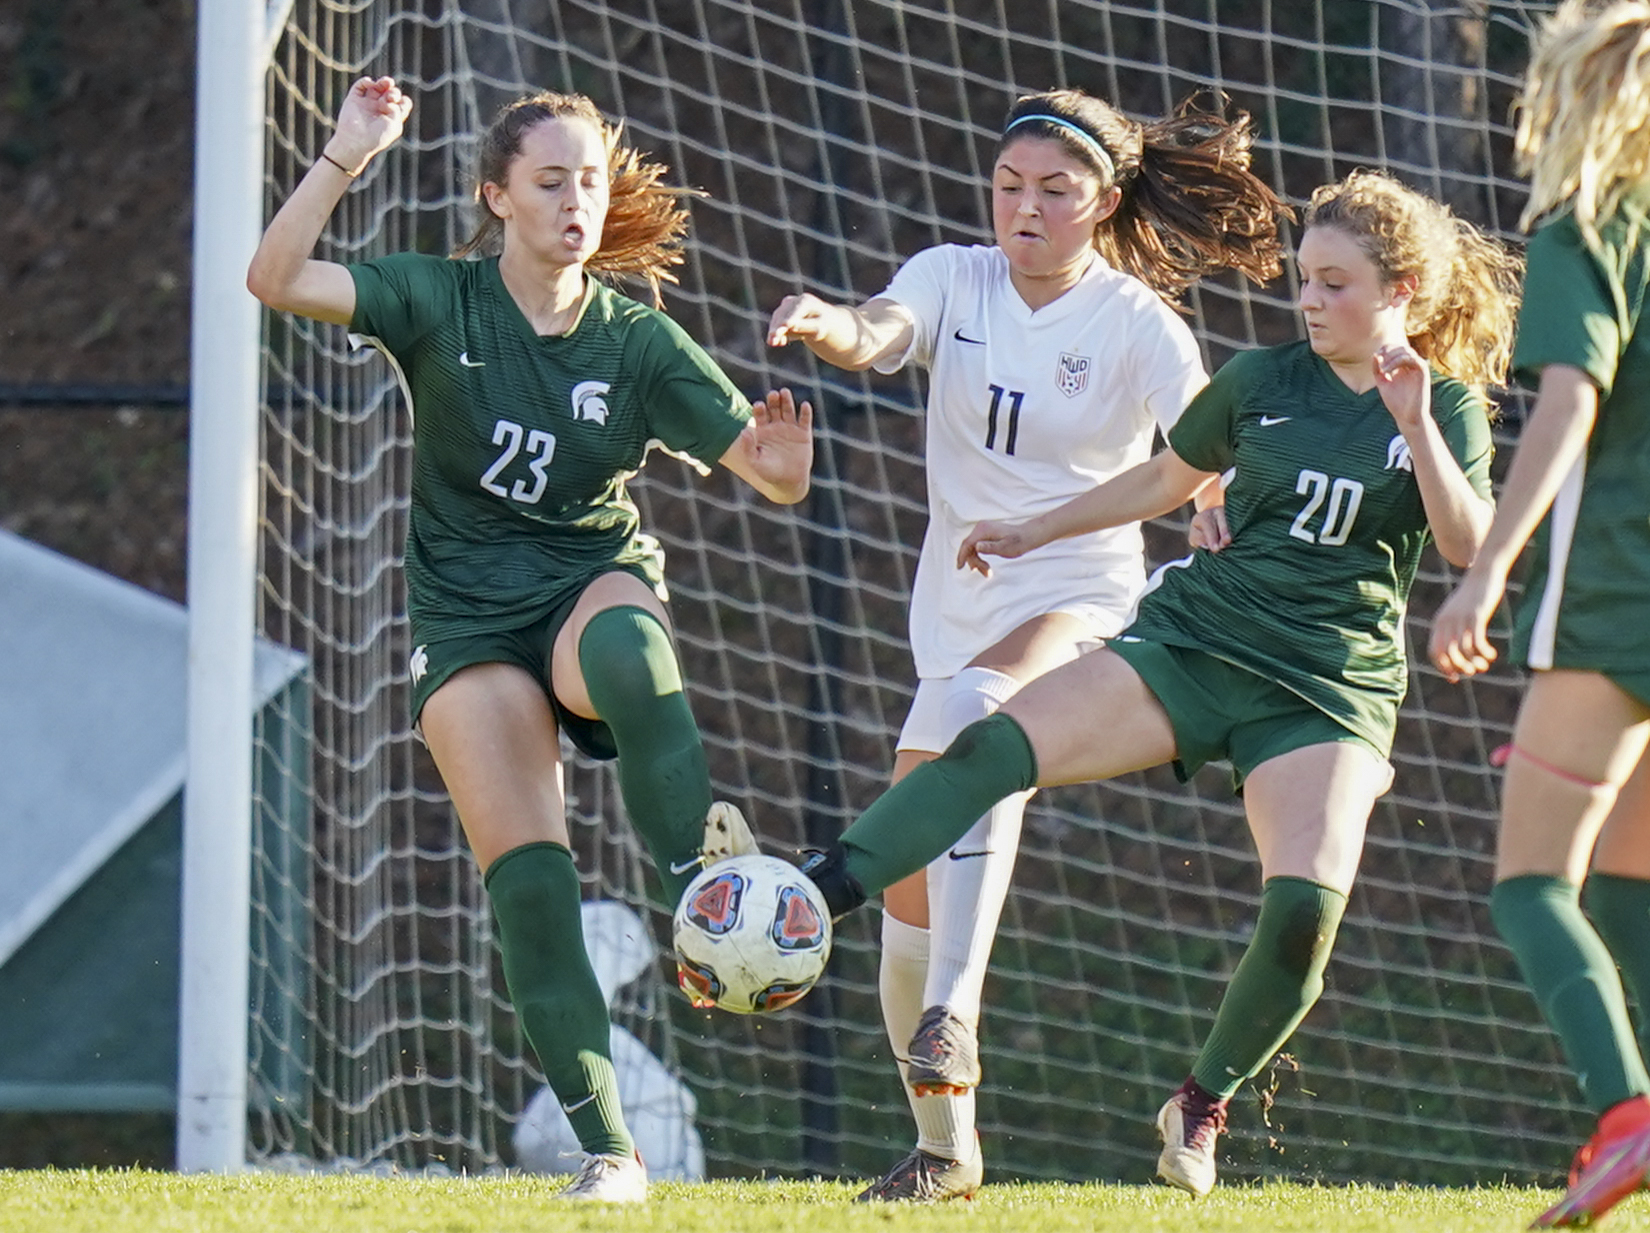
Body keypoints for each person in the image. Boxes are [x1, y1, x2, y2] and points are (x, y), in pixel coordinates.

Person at [796, 167, 1521, 1197]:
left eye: (1335, 285)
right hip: (1195, 644)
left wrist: (1413, 421)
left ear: (1400, 290)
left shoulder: (1441, 403)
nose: (1309, 302)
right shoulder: (1262, 382)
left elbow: (1466, 542)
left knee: (1308, 912)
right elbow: (1162, 479)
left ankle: (1201, 1101)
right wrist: (1034, 528)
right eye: (1305, 282)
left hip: (1325, 688)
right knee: (991, 740)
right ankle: (818, 892)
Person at [245, 78, 813, 1202]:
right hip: (466, 622)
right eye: (551, 181)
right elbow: (273, 278)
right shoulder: (436, 302)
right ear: (496, 196)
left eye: (591, 180)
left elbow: (770, 471)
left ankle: (707, 889)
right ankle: (612, 1153)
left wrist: (782, 466)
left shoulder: (639, 342)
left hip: (585, 582)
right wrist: (348, 152)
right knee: (533, 893)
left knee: (626, 657)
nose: (577, 201)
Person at [766, 88, 1288, 1202]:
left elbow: (1203, 438)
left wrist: (1212, 499)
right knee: (905, 891)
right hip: (954, 608)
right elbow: (881, 331)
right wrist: (830, 324)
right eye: (1011, 186)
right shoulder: (952, 278)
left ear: (1101, 205)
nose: (1027, 207)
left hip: (1081, 593)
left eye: (1056, 190)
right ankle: (946, 1152)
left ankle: (958, 1011)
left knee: (977, 726)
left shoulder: (1137, 321)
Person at [1428, 1, 1650, 1225]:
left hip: (1618, 594)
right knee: (1625, 884)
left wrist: (1486, 571)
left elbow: (1566, 402)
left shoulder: (1589, 228)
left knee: (1529, 881)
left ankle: (1627, 1115)